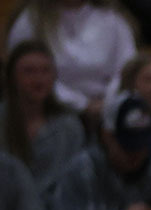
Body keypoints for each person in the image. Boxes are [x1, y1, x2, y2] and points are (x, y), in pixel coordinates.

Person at [5, 0, 138, 115]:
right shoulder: (30, 21)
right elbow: (23, 74)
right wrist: (81, 105)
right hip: (50, 111)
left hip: (107, 110)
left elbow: (127, 69)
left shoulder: (111, 19)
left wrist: (106, 104)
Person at [1, 41, 88, 188]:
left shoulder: (68, 125)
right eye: (29, 71)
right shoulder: (2, 119)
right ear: (12, 77)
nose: (39, 79)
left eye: (45, 71)